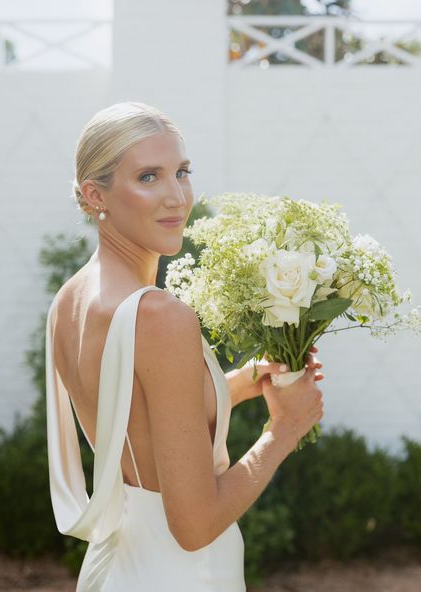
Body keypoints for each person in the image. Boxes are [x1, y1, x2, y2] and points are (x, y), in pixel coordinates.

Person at [44, 101, 324, 591]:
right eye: (149, 177)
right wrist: (286, 428)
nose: (177, 196)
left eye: (182, 172)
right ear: (95, 195)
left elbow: (134, 422)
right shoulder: (159, 316)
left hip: (117, 568)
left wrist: (239, 383)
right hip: (182, 575)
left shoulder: (70, 300)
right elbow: (194, 526)